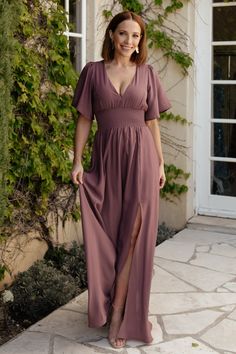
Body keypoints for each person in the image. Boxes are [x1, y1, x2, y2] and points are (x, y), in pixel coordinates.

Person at [71, 10, 171, 349]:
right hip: (107, 159)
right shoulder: (93, 72)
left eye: (137, 36)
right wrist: (77, 160)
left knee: (133, 235)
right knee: (110, 233)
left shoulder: (147, 73)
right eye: (125, 34)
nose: (131, 41)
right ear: (112, 35)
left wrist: (160, 163)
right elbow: (84, 120)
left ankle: (118, 315)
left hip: (142, 158)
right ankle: (113, 299)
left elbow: (153, 122)